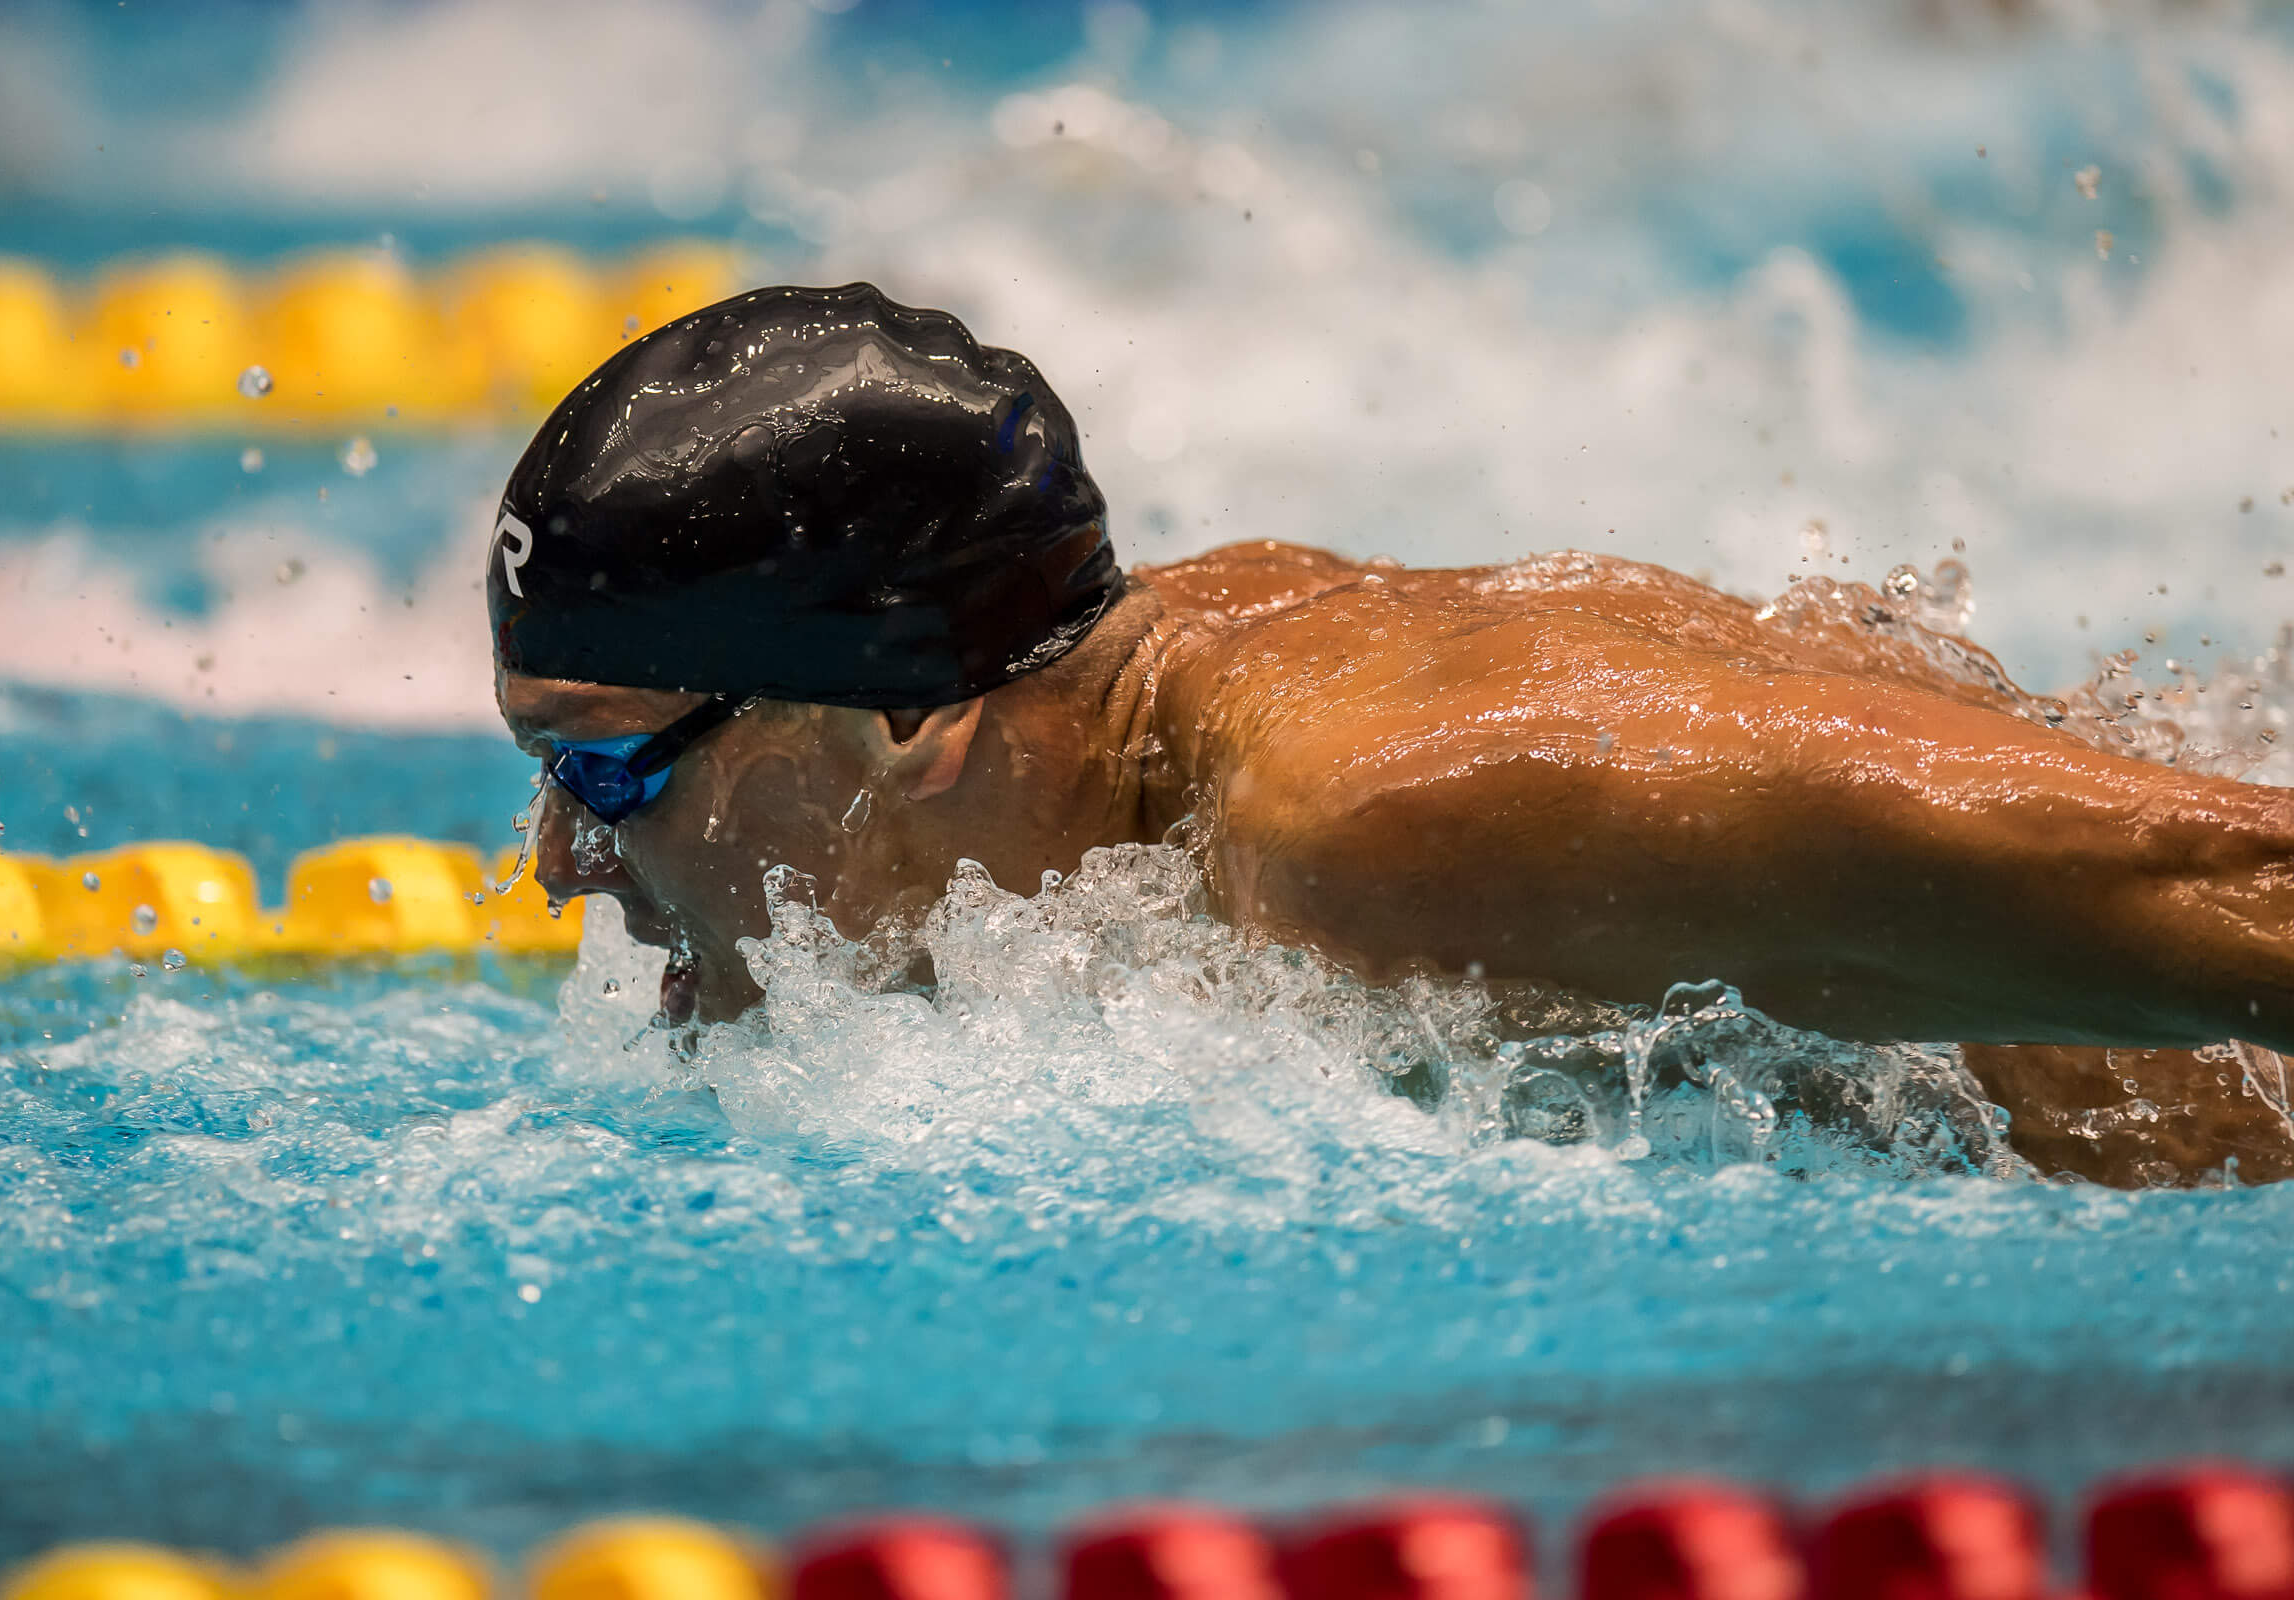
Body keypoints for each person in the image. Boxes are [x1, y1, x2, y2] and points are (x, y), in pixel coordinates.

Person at [491, 282, 2294, 1187]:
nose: (560, 861)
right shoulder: (1120, 724)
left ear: (908, 718)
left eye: (601, 770)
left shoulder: (1379, 815)